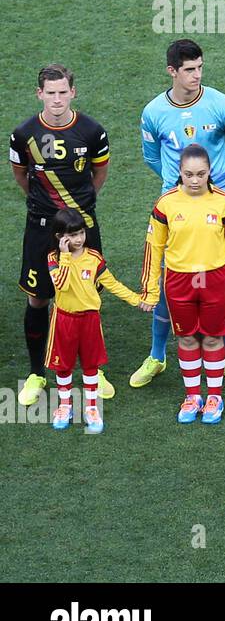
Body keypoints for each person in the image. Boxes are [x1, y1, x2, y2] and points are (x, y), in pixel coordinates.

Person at [133, 39, 225, 389]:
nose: (197, 75)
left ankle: (223, 354)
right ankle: (157, 355)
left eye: (199, 67)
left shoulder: (220, 104)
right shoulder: (154, 112)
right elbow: (151, 157)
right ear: (172, 71)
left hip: (220, 200)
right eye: (189, 70)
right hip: (175, 204)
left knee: (222, 276)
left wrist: (220, 187)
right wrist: (175, 188)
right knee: (173, 280)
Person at [10, 64, 115, 406]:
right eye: (50, 93)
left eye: (62, 92)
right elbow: (21, 176)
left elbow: (99, 174)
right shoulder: (23, 134)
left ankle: (93, 371)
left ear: (73, 92)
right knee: (39, 298)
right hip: (41, 230)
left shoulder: (92, 132)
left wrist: (78, 212)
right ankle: (36, 373)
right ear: (39, 94)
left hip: (83, 227)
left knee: (86, 298)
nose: (57, 99)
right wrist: (49, 213)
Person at [141, 145, 225, 425]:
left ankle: (214, 396)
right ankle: (192, 396)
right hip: (179, 280)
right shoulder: (165, 204)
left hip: (215, 278)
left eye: (200, 174)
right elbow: (153, 248)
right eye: (188, 174)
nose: (194, 180)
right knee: (187, 338)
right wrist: (150, 289)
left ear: (209, 172)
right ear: (179, 172)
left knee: (213, 338)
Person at [45, 209, 149, 434]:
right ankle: (65, 406)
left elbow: (112, 284)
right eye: (72, 235)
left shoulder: (94, 258)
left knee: (91, 365)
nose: (78, 239)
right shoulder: (53, 259)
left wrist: (136, 300)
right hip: (64, 319)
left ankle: (91, 408)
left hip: (90, 320)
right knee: (63, 366)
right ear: (59, 237)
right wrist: (65, 256)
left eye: (81, 233)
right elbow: (60, 284)